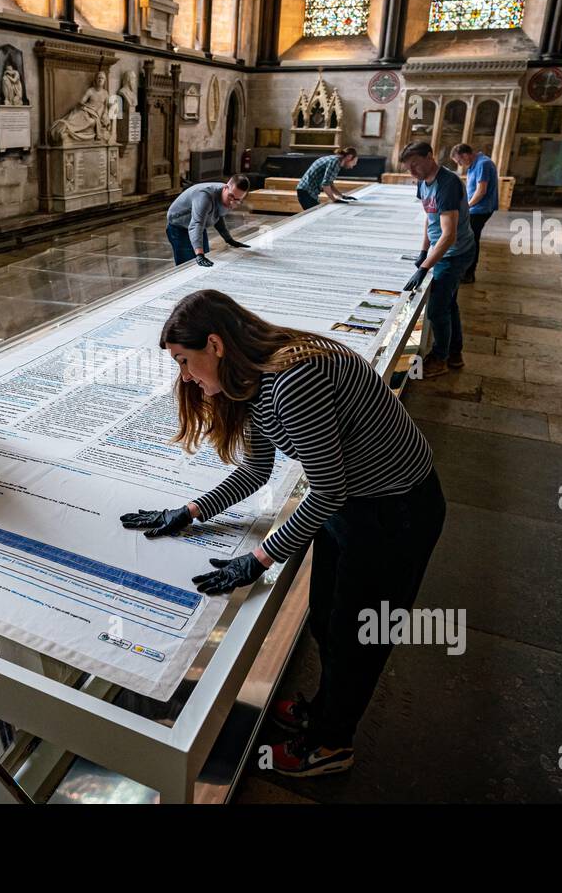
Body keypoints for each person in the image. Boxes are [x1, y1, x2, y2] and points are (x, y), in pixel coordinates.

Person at [120, 290, 445, 776]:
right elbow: (256, 470)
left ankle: (332, 746)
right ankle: (324, 709)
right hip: (353, 506)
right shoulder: (251, 381)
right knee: (327, 619)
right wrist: (188, 512)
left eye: (186, 362)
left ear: (215, 345)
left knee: (359, 636)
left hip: (393, 513)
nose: (184, 376)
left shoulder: (293, 380)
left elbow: (328, 488)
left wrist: (259, 560)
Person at [399, 141, 475, 378]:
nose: (412, 172)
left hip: (455, 255)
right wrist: (424, 251)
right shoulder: (423, 181)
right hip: (441, 251)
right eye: (407, 168)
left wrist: (424, 267)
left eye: (415, 165)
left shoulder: (447, 184)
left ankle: (439, 358)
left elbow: (449, 235)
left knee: (436, 309)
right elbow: (430, 218)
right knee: (449, 305)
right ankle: (454, 353)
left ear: (430, 156)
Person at [165, 174, 252, 267]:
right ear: (226, 187)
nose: (232, 202)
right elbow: (196, 224)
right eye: (231, 196)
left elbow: (218, 216)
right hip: (179, 226)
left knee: (206, 258)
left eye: (238, 200)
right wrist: (199, 255)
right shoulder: (205, 196)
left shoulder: (230, 197)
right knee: (188, 265)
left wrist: (229, 239)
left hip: (199, 225)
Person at [450, 143, 498, 284]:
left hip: (479, 209)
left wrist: (466, 206)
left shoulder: (483, 164)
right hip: (476, 208)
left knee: (470, 241)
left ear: (465, 155)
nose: (460, 165)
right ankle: (466, 272)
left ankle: (468, 274)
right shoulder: (476, 163)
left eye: (459, 161)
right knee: (470, 239)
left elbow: (481, 191)